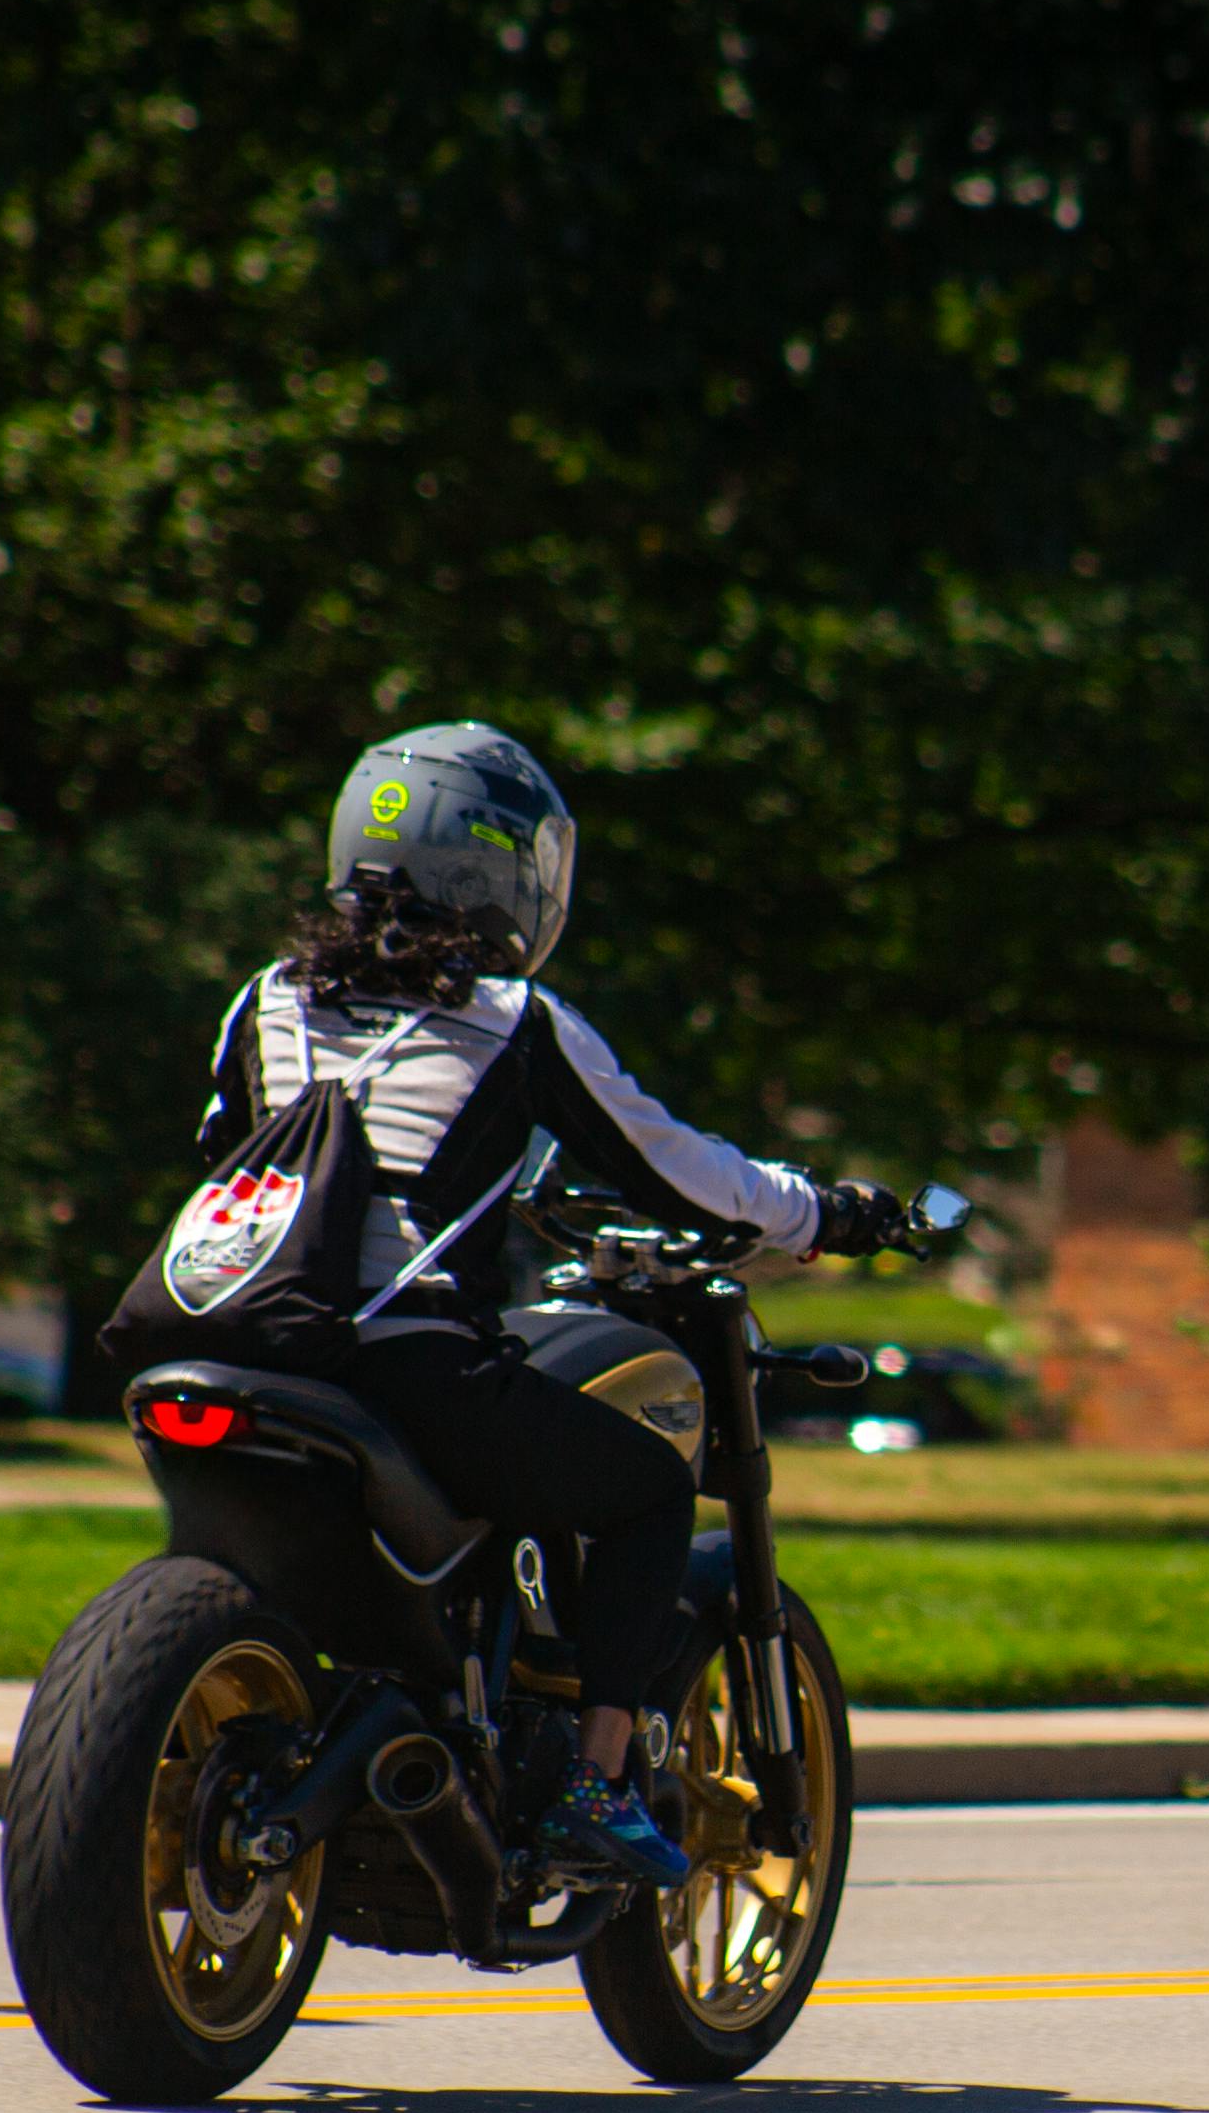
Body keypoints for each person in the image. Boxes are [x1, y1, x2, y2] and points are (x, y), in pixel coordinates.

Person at [192, 721, 902, 1892]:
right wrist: (819, 1214)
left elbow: (224, 1159)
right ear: (498, 868)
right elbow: (677, 1170)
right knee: (647, 1488)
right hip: (404, 1365)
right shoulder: (513, 1020)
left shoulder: (263, 1001)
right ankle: (595, 1787)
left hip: (240, 1346)